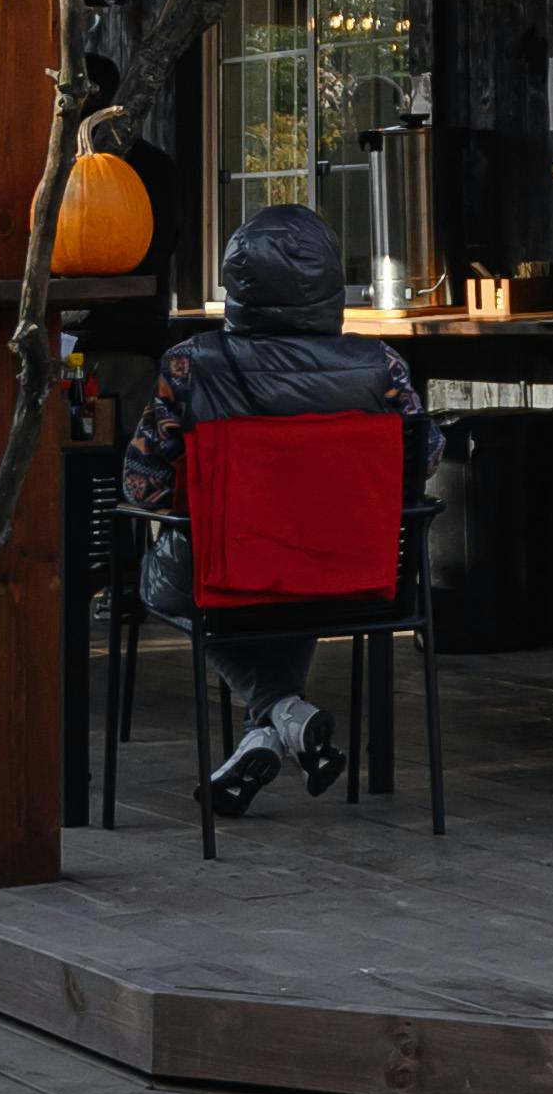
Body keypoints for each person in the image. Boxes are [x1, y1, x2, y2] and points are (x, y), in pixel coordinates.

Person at [121, 202, 433, 816]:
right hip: (352, 578)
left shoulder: (190, 364)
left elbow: (142, 489)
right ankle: (275, 721)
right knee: (300, 558)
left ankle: (279, 716)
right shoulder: (383, 365)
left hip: (223, 572)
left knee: (164, 580)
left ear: (237, 284)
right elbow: (418, 466)